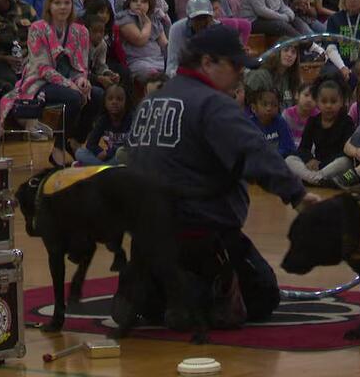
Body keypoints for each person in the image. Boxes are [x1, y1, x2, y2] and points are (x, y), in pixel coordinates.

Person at [128, 24, 321, 324]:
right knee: (264, 296)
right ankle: (199, 294)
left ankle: (153, 292)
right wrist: (296, 194)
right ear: (208, 62)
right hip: (200, 235)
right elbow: (252, 150)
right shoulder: (212, 103)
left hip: (146, 241)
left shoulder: (150, 103)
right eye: (234, 66)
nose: (240, 74)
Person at [0, 0, 103, 166]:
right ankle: (58, 148)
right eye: (57, 3)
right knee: (73, 97)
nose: (63, 7)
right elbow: (42, 68)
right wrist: (69, 84)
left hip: (70, 81)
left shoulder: (81, 31)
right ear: (49, 6)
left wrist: (81, 80)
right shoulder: (37, 28)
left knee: (97, 95)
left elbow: (82, 65)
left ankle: (75, 141)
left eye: (66, 2)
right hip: (39, 82)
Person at [76, 84, 131, 165]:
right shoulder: (103, 120)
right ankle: (107, 169)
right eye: (110, 99)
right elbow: (91, 143)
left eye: (119, 99)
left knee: (123, 156)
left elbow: (130, 146)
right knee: (80, 152)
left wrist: (107, 153)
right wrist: (100, 152)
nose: (114, 102)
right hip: (109, 158)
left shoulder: (132, 119)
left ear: (126, 102)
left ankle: (98, 168)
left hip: (123, 157)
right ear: (105, 102)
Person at [244, 44, 300, 109]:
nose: (289, 55)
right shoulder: (259, 75)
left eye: (293, 52)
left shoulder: (293, 78)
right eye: (286, 50)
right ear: (277, 52)